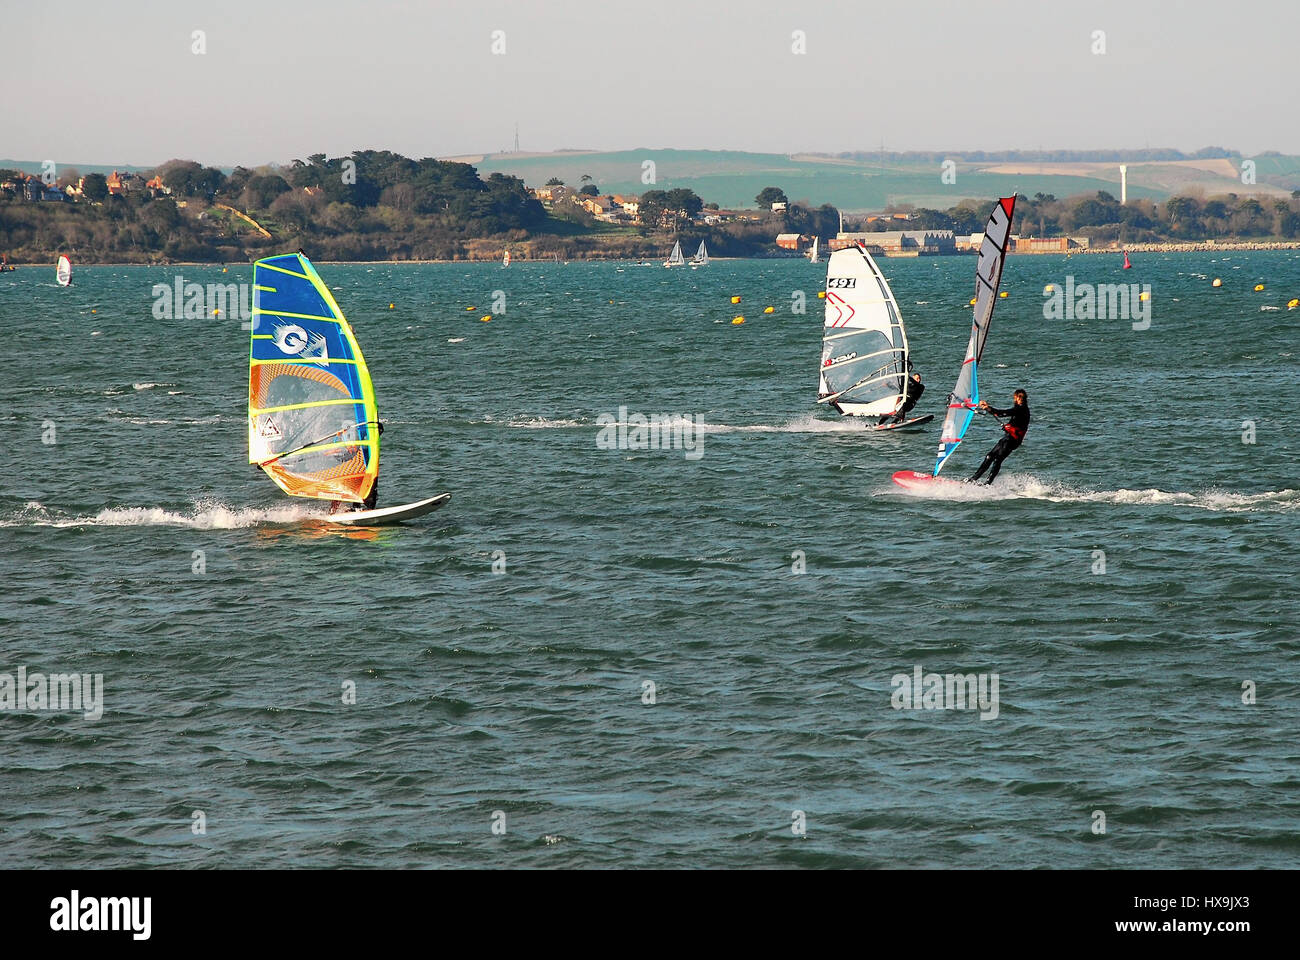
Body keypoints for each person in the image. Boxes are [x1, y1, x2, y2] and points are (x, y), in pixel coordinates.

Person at [969, 389, 1030, 484]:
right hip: (1007, 438)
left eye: (1017, 398)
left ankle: (988, 483)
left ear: (1018, 398)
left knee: (997, 459)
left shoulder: (1022, 409)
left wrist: (988, 408)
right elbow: (1015, 422)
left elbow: (1002, 413)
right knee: (989, 457)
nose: (1016, 400)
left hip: (1012, 440)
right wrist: (1008, 426)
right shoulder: (1019, 409)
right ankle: (973, 480)